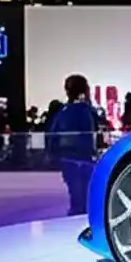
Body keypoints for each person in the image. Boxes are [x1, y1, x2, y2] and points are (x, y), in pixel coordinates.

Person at [47, 74, 98, 215]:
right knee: (84, 196)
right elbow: (89, 134)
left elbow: (53, 134)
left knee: (76, 196)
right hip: (82, 158)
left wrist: (52, 153)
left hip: (68, 158)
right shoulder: (85, 111)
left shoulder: (63, 111)